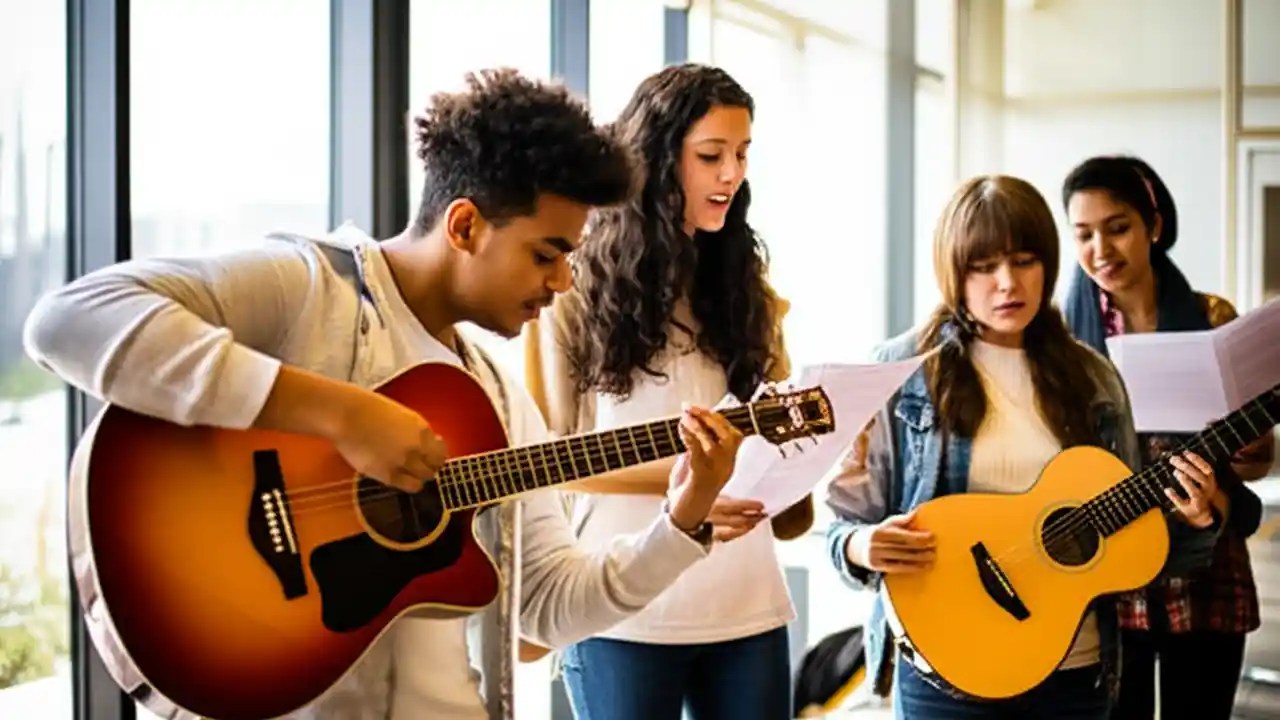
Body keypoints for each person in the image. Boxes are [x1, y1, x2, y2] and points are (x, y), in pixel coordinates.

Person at [23, 68, 745, 720]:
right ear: (464, 225)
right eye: (545, 255)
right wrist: (343, 414)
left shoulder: (494, 396)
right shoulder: (306, 287)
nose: (562, 285)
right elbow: (68, 320)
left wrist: (683, 517)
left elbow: (549, 605)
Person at [822, 175, 1225, 719]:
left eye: (1024, 260)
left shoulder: (1093, 378)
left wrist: (1195, 520)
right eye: (983, 267)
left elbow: (1132, 542)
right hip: (947, 674)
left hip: (1073, 671)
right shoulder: (903, 370)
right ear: (953, 272)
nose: (1007, 283)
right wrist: (862, 545)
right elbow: (845, 525)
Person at [522, 63, 805, 720]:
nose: (731, 174)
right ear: (656, 157)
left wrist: (819, 444)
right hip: (618, 606)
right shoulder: (574, 290)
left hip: (746, 603)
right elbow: (548, 458)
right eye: (711, 156)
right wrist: (693, 488)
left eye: (741, 154)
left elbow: (776, 426)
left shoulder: (749, 293)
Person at [1061, 154, 1277, 720]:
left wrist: (1250, 459)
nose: (1100, 251)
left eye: (1118, 227)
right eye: (1083, 235)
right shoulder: (1063, 342)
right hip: (1106, 577)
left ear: (1154, 227)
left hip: (1206, 571)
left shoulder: (1213, 317)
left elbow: (1256, 460)